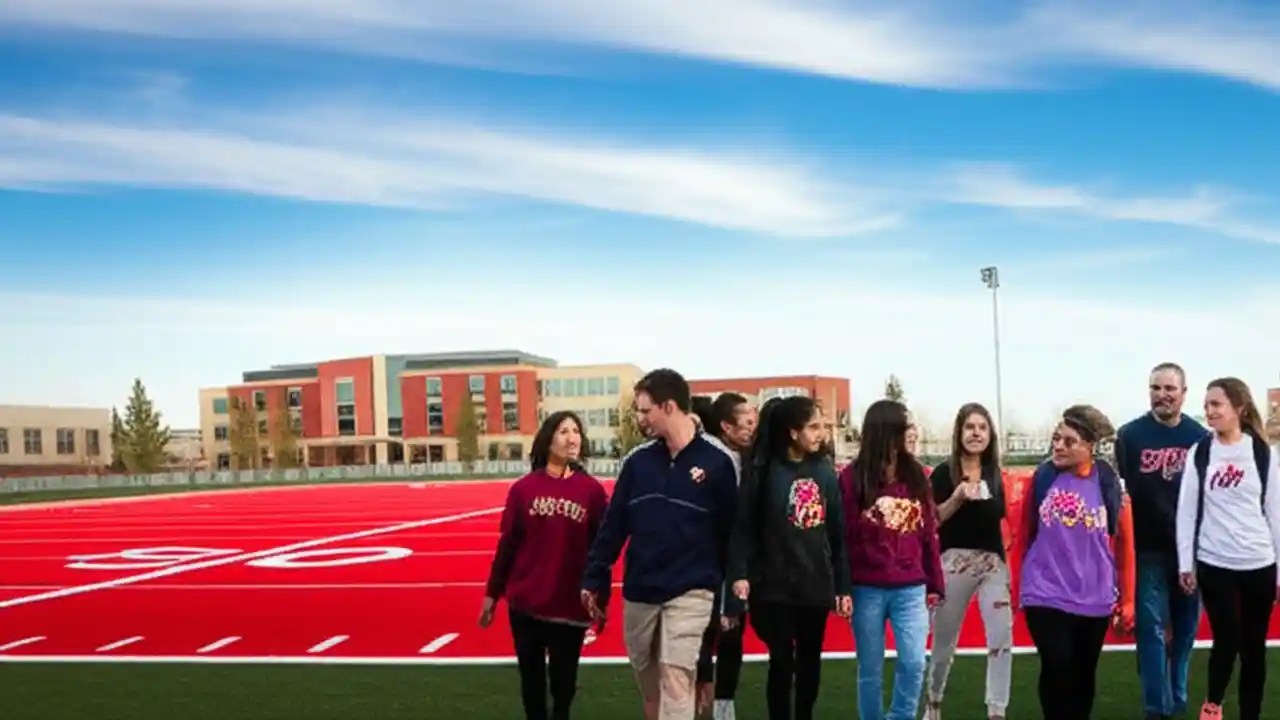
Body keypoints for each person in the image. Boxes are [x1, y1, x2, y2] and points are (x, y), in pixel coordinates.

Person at [581, 369, 740, 720]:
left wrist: (733, 596)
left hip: (692, 590)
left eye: (644, 410)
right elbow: (614, 526)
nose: (639, 419)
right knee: (651, 685)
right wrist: (595, 577)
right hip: (641, 589)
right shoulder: (637, 464)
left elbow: (733, 533)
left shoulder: (718, 463)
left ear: (668, 407)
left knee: (675, 677)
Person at [724, 395, 851, 720]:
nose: (820, 433)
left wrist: (842, 586)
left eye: (822, 426)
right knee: (781, 659)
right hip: (773, 586)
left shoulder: (824, 470)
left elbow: (836, 531)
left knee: (810, 660)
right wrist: (739, 574)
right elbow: (744, 527)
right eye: (813, 427)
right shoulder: (763, 469)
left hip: (815, 583)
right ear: (793, 432)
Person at [479, 411, 609, 720]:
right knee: (532, 684)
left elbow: (601, 549)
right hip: (526, 603)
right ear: (548, 439)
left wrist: (600, 596)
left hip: (569, 604)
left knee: (564, 687)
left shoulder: (591, 492)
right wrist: (492, 594)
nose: (571, 437)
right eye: (563, 431)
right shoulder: (523, 489)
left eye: (576, 431)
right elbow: (508, 545)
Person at [1010, 404, 1136, 720]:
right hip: (1045, 592)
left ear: (1090, 446)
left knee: (1083, 675)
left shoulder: (1109, 484)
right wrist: (1016, 588)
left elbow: (1125, 547)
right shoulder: (1043, 478)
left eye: (1069, 441)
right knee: (1057, 667)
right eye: (1056, 438)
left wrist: (1129, 599)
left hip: (1094, 595)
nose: (1059, 446)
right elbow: (1024, 534)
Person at [1175, 377, 1280, 720]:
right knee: (1226, 639)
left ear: (1240, 408)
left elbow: (1275, 513)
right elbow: (1187, 510)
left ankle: (1250, 713)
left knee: (1254, 648)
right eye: (1206, 405)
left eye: (1216, 405)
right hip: (1213, 562)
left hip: (1259, 563)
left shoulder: (1264, 454)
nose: (1209, 411)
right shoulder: (1201, 452)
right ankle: (1213, 706)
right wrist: (1184, 563)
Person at [1114, 362, 1208, 720]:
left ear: (1184, 393)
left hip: (1190, 551)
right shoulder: (1130, 436)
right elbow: (1116, 491)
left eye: (1169, 388)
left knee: (1184, 633)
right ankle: (1157, 708)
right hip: (1147, 549)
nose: (1162, 395)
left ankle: (1178, 701)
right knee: (1151, 632)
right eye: (1156, 388)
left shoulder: (1200, 437)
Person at [839, 399, 943, 720]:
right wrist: (842, 587)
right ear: (886, 433)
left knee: (913, 662)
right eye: (904, 428)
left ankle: (900, 716)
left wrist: (935, 582)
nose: (911, 434)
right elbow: (840, 536)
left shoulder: (916, 476)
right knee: (870, 668)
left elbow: (929, 534)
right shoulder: (851, 478)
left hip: (910, 587)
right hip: (865, 587)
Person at [925, 402, 1012, 720]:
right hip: (953, 562)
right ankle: (934, 701)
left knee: (1001, 636)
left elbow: (1003, 524)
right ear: (959, 432)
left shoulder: (997, 476)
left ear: (991, 434)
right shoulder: (941, 474)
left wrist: (1008, 569)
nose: (976, 433)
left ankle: (996, 710)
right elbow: (932, 521)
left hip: (992, 565)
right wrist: (958, 497)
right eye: (970, 427)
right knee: (944, 641)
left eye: (982, 427)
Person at [691, 393, 758, 720]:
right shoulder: (711, 460)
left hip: (735, 560)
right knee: (705, 632)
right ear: (725, 426)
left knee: (731, 631)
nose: (751, 427)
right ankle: (703, 701)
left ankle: (722, 705)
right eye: (745, 421)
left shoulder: (746, 459)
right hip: (708, 562)